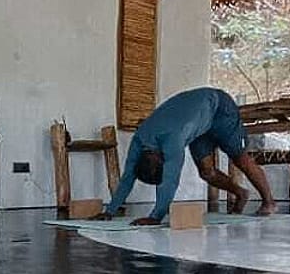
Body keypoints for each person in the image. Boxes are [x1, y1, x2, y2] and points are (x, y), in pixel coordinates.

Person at [97, 87, 276, 224]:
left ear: (161, 157)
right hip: (198, 123)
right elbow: (128, 176)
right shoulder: (139, 140)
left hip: (220, 109)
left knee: (241, 159)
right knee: (207, 172)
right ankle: (240, 193)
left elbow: (170, 179)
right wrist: (109, 211)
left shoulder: (172, 142)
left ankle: (269, 202)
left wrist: (155, 217)